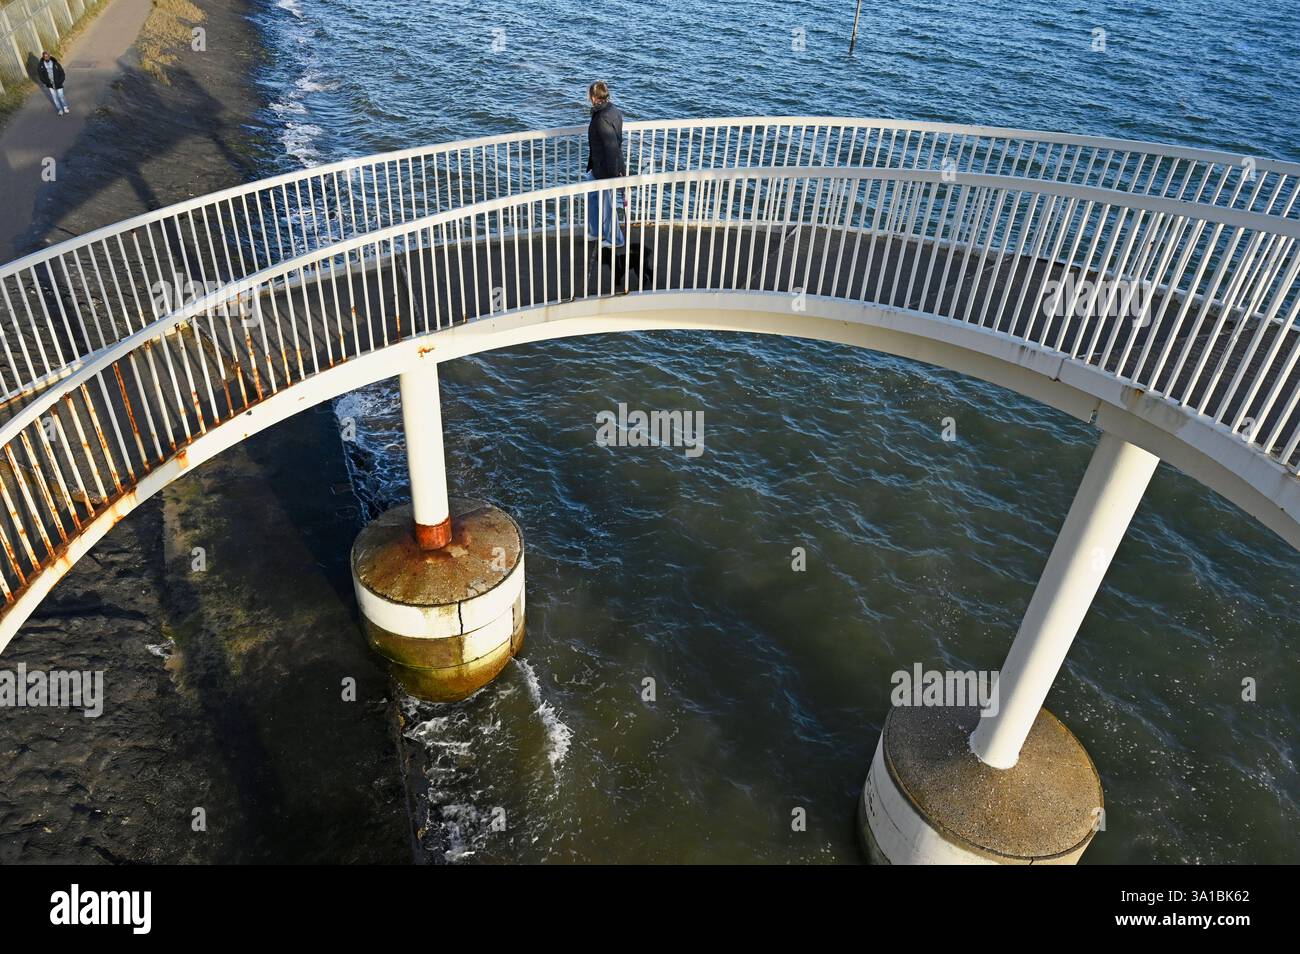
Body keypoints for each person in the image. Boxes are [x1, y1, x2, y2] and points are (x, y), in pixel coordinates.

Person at [584, 80, 624, 248]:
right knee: (592, 195)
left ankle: (615, 239)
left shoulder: (601, 118)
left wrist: (613, 175)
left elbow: (611, 147)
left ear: (593, 98)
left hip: (605, 169)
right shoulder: (613, 110)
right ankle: (595, 231)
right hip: (599, 166)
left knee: (606, 204)